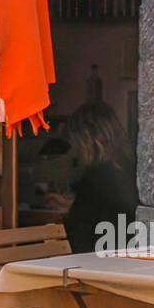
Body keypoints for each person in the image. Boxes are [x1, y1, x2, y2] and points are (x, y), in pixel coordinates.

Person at [41, 101, 138, 254]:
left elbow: (81, 233)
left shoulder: (95, 177)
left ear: (84, 139)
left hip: (98, 264)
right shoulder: (131, 167)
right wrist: (72, 204)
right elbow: (111, 209)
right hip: (129, 257)